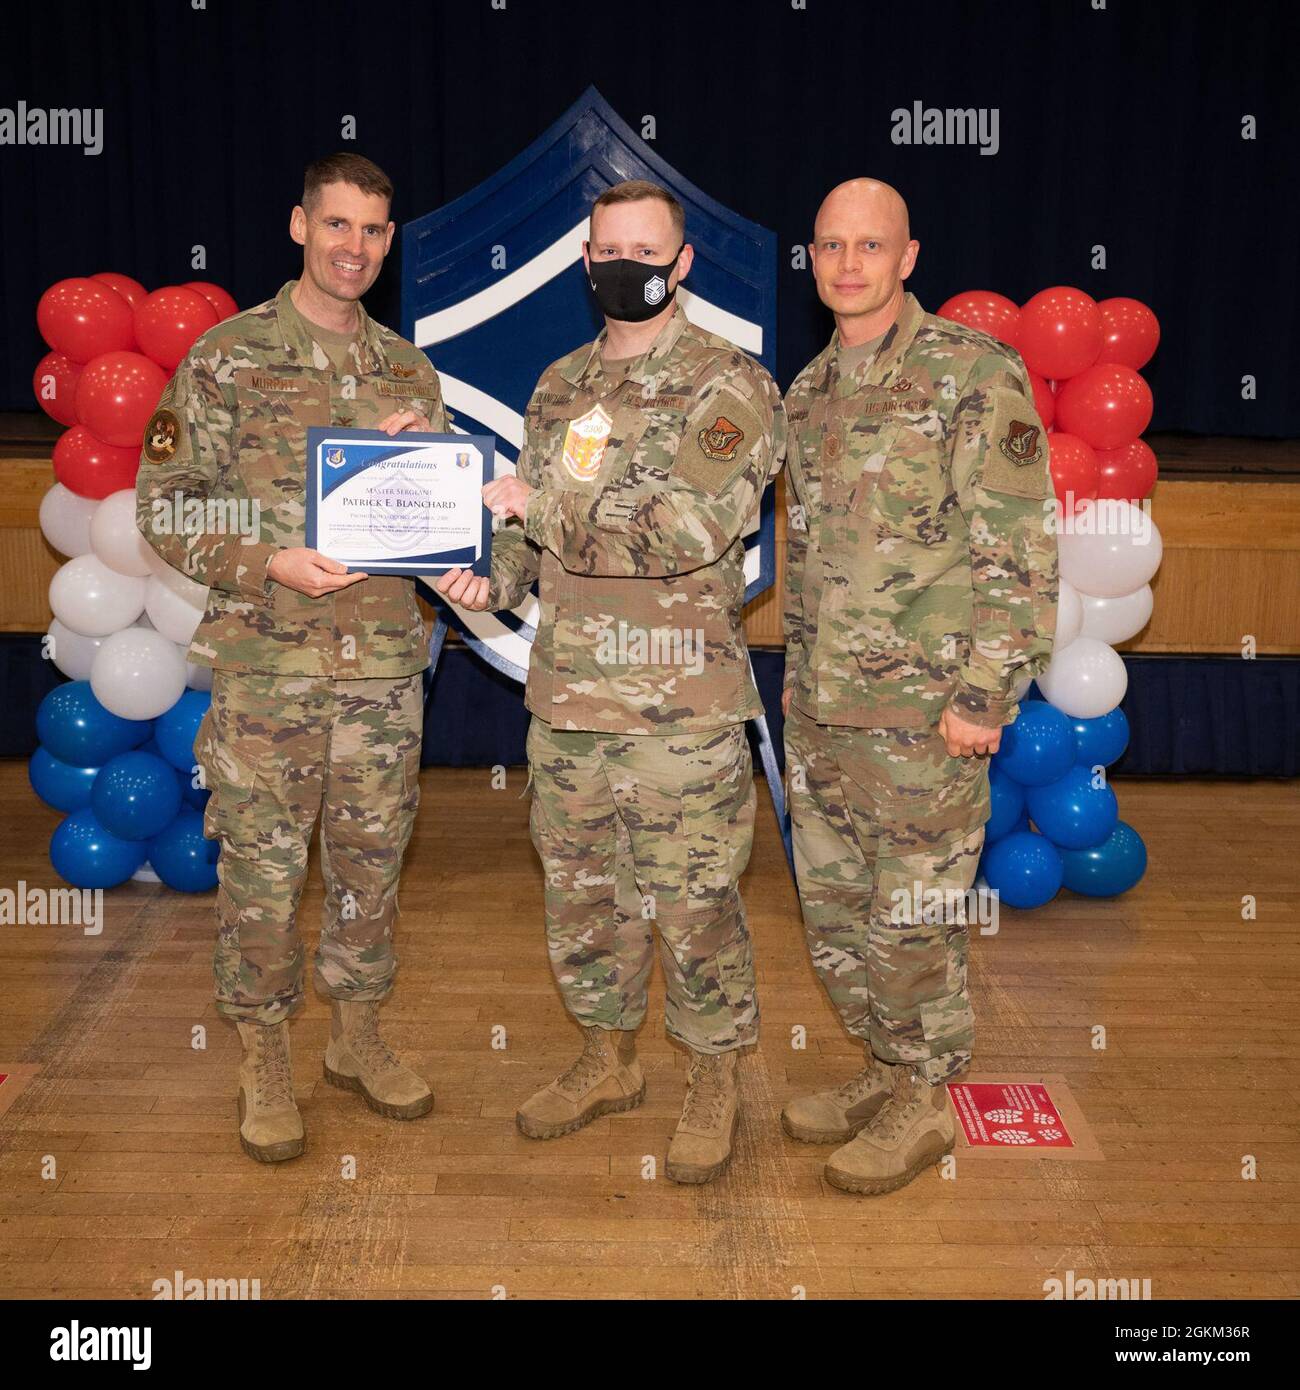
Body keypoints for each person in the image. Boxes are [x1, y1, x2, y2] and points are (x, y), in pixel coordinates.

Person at [438, 179, 784, 1183]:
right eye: (606, 249)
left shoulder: (732, 386)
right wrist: (480, 570)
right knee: (585, 897)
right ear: (585, 262)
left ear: (680, 265)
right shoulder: (559, 386)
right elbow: (527, 546)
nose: (623, 264)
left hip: (683, 707)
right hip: (571, 700)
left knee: (694, 900)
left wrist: (534, 504)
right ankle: (606, 1057)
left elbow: (686, 531)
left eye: (646, 249)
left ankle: (714, 1076)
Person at [135, 153, 445, 1163]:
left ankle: (354, 1036)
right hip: (268, 671)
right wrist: (266, 558)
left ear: (388, 242)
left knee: (369, 871)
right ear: (300, 226)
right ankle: (263, 1054)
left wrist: (441, 501)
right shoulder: (227, 357)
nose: (353, 247)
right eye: (337, 225)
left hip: (382, 677)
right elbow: (167, 504)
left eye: (372, 231)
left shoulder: (409, 370)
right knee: (264, 878)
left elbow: (434, 521)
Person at [779, 178, 1057, 1195]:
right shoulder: (807, 394)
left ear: (908, 257)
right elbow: (807, 566)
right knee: (840, 913)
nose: (847, 263)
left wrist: (985, 696)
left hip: (925, 719)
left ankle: (927, 1101)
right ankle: (885, 1067)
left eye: (870, 246)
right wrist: (798, 705)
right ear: (811, 259)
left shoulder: (970, 372)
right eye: (829, 246)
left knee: (912, 920)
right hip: (822, 710)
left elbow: (1019, 547)